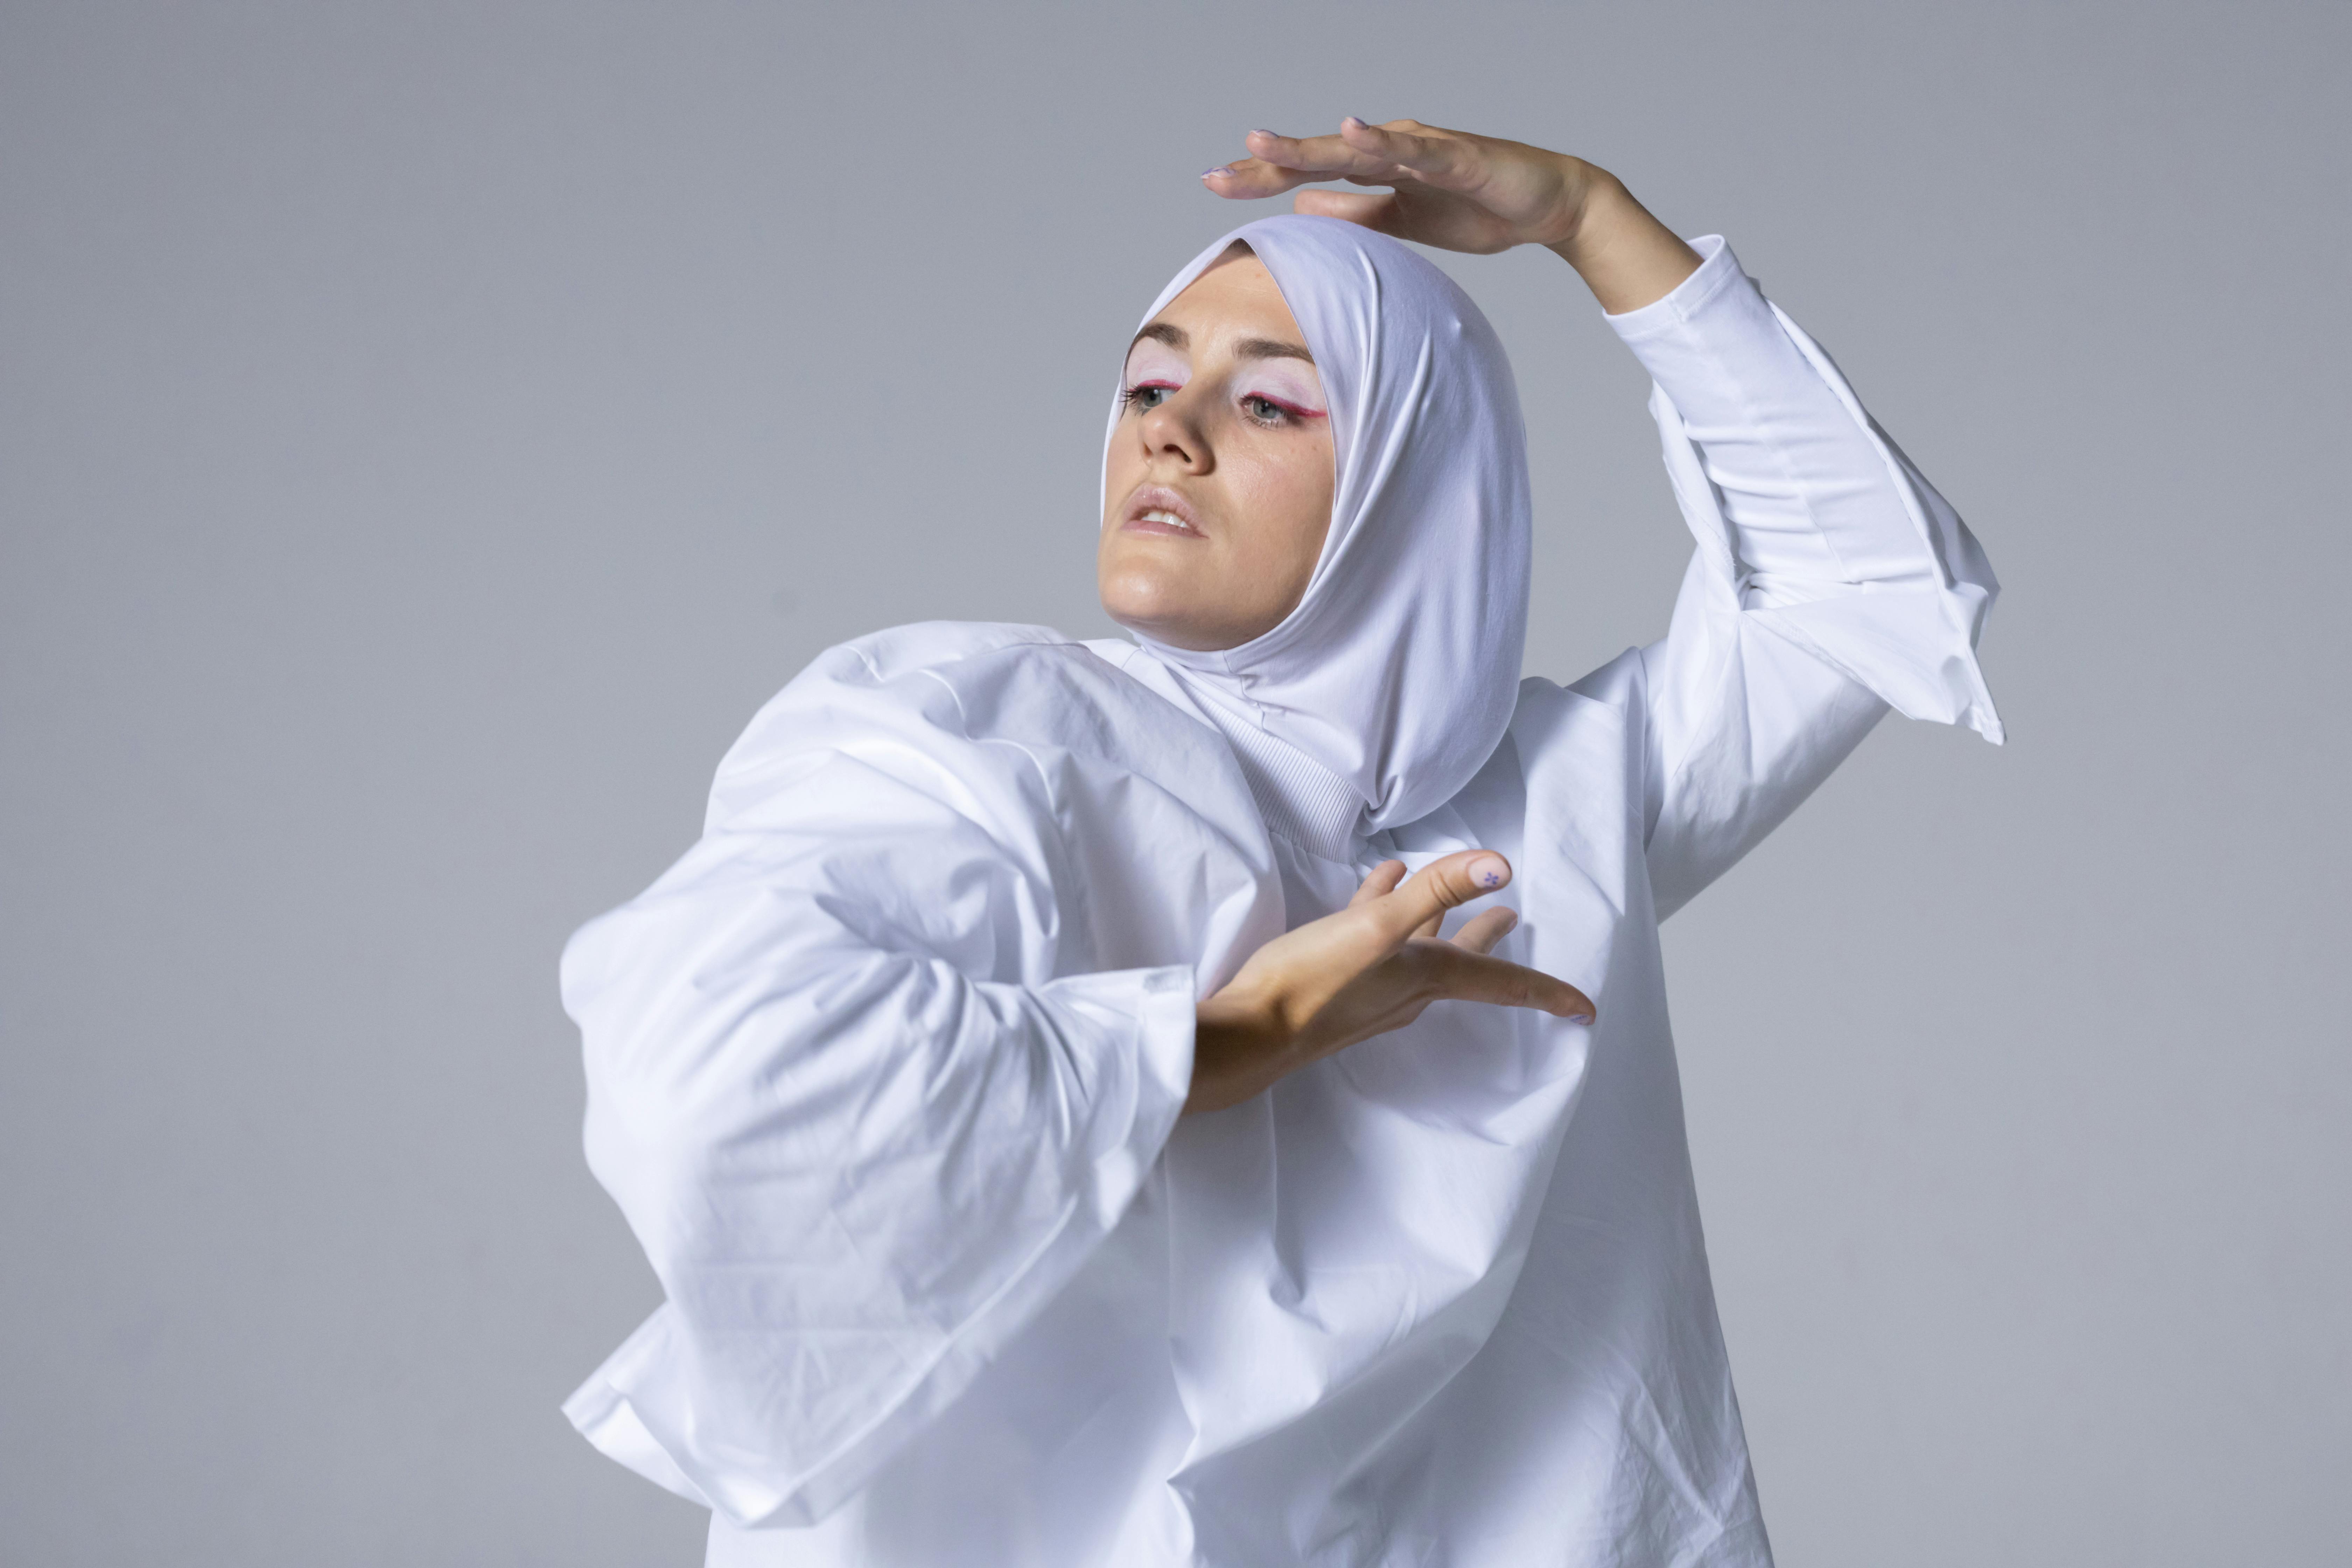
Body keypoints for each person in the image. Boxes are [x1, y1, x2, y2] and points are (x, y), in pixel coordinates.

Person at [559, 119, 2001, 1567]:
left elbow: (1861, 583)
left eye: (1272, 407)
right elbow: (717, 1062)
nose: (1168, 431)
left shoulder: (1550, 808)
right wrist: (1223, 1039)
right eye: (1148, 380)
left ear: (1418, 479)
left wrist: (1585, 216)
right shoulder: (987, 741)